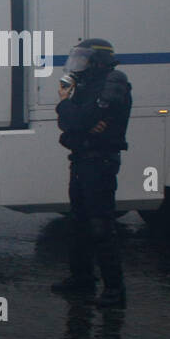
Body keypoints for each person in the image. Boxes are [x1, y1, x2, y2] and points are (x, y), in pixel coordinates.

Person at [51, 38, 131, 309]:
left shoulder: (113, 81)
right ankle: (82, 277)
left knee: (100, 225)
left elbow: (77, 120)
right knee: (78, 222)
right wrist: (78, 119)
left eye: (83, 59)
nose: (78, 65)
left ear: (98, 61)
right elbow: (69, 123)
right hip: (82, 161)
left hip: (100, 163)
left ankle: (114, 290)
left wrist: (70, 109)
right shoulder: (86, 86)